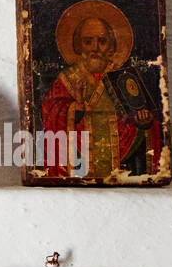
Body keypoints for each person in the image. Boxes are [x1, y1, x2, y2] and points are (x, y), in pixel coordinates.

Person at [41, 10, 161, 178]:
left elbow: (141, 114)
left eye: (102, 41)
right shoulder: (67, 80)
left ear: (111, 46)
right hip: (78, 163)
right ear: (78, 45)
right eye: (88, 41)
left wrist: (143, 122)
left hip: (122, 161)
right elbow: (51, 112)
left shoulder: (124, 78)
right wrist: (74, 109)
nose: (95, 48)